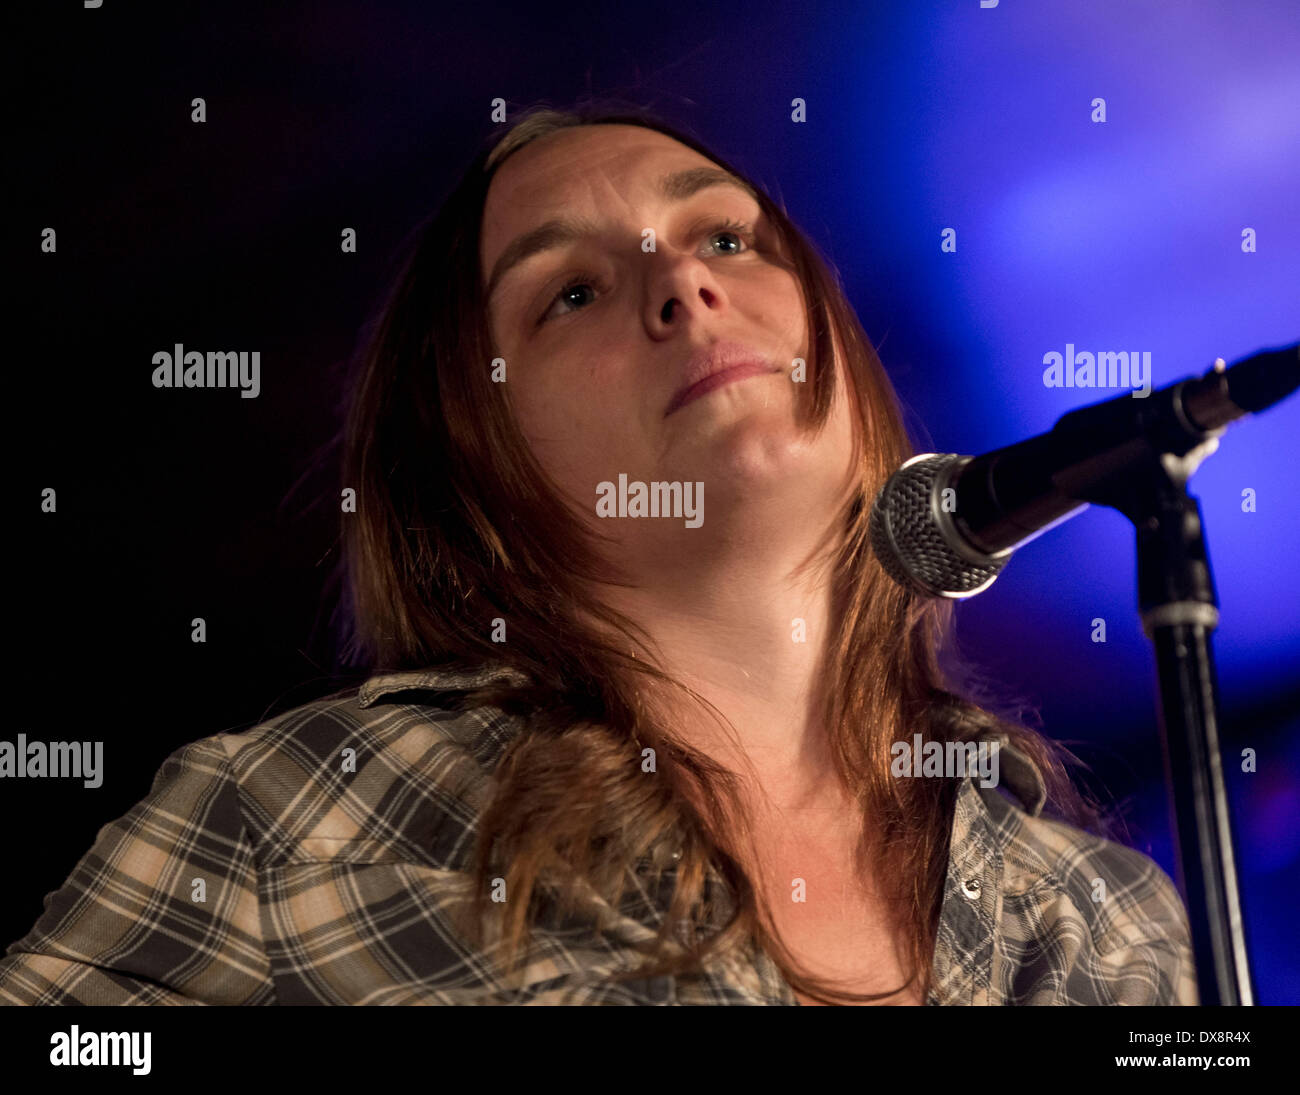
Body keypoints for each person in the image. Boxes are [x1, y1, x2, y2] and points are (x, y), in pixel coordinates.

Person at [0, 103, 1198, 1006]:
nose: (680, 282)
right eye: (570, 293)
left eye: (726, 236)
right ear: (478, 474)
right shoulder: (297, 816)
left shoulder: (1103, 926)